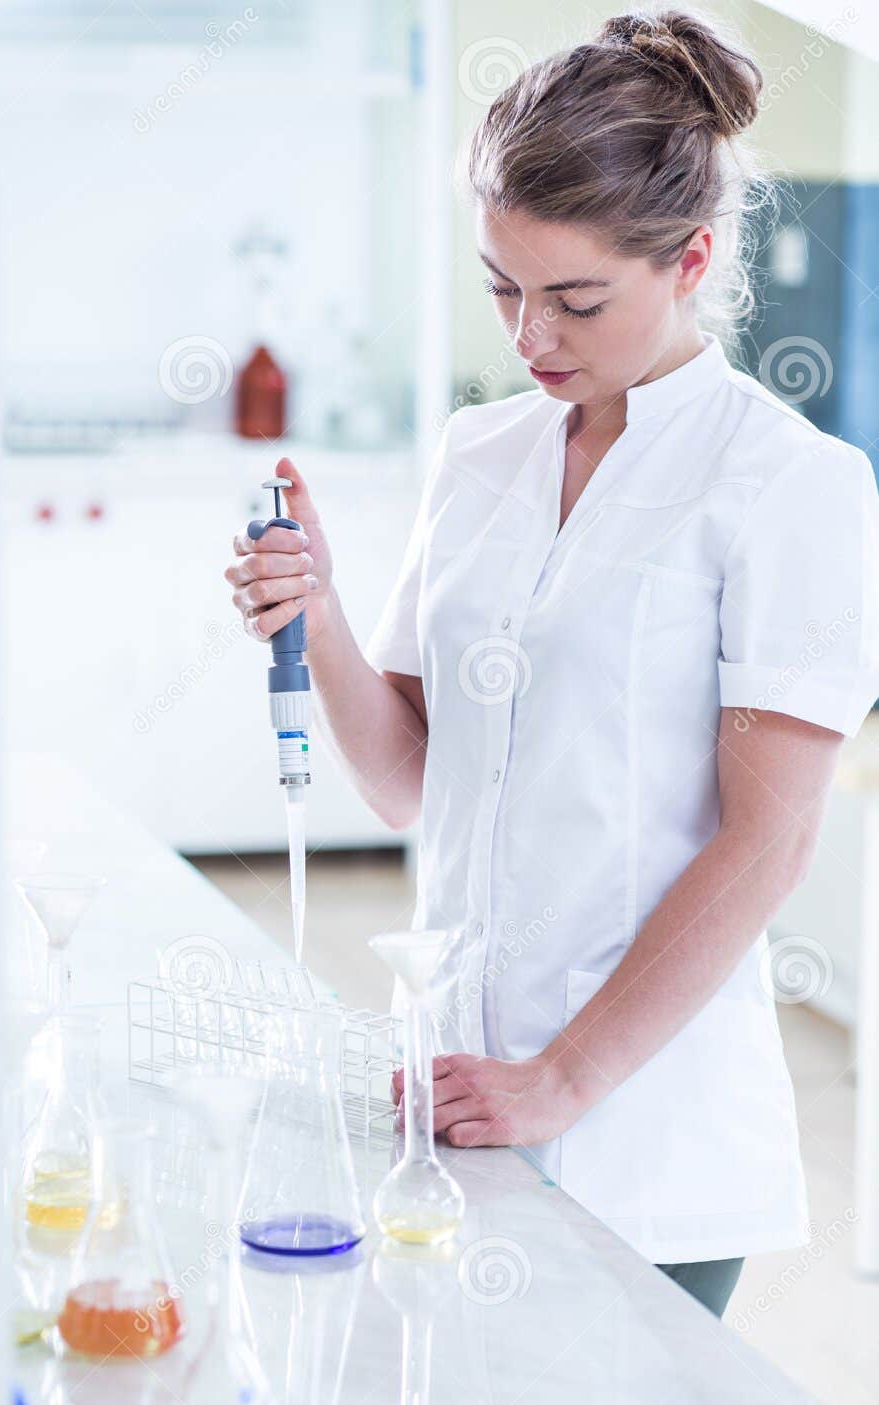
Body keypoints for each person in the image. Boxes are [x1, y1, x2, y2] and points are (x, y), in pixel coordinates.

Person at [224, 9, 879, 1318]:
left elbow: (768, 844)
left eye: (576, 299)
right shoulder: (483, 456)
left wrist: (565, 1079)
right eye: (503, 289)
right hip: (461, 1089)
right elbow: (413, 781)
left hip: (649, 1134)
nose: (532, 337)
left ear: (691, 258)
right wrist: (326, 612)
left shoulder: (791, 487)